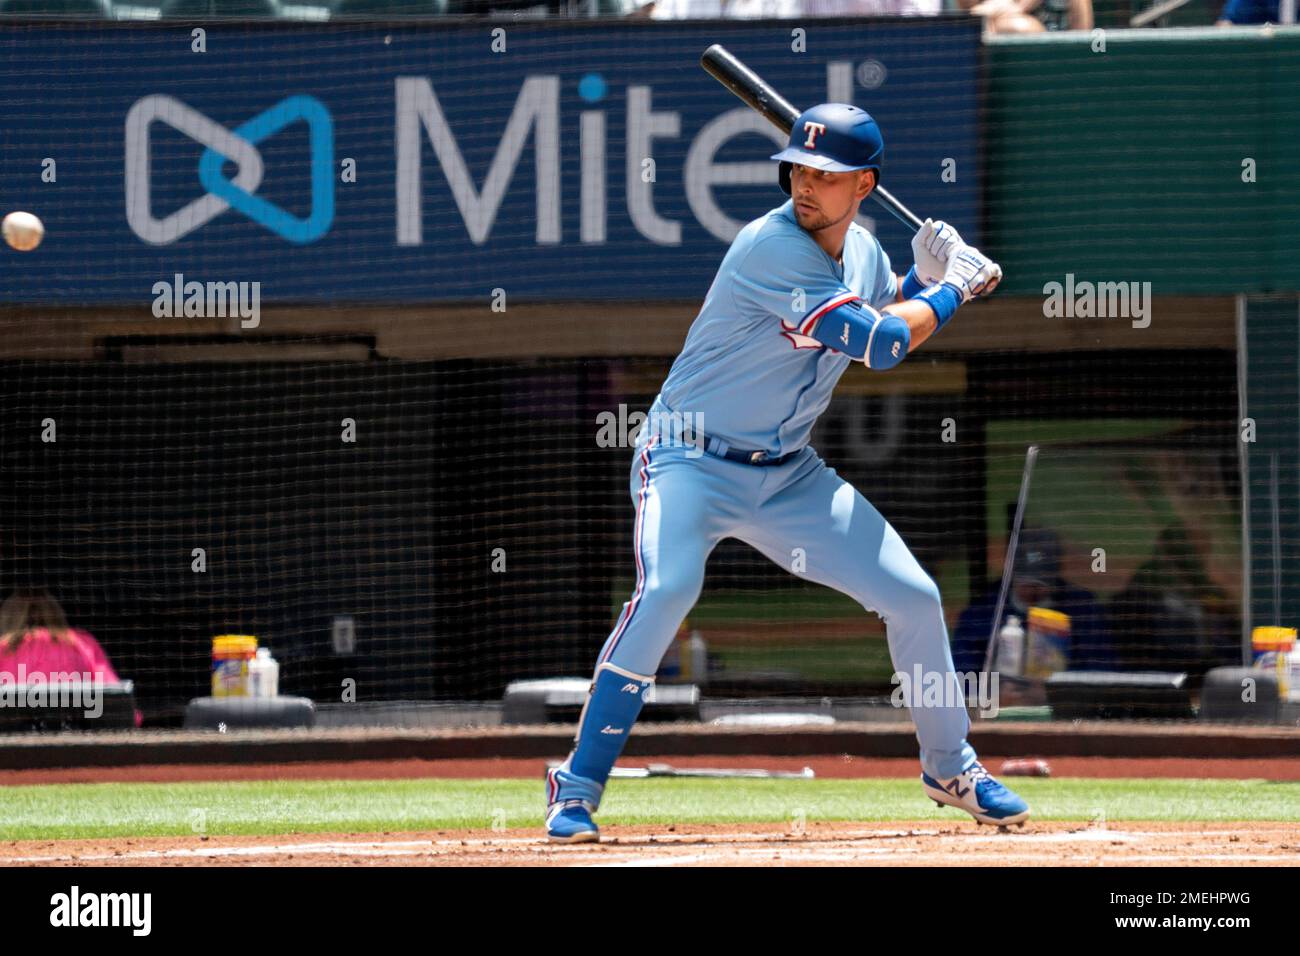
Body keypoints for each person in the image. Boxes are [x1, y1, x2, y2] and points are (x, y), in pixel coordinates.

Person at [545, 102, 1029, 843]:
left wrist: (921, 275)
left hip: (786, 473)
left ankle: (950, 764)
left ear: (863, 185)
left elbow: (886, 306)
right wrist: (954, 287)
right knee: (669, 588)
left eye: (827, 175)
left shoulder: (863, 254)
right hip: (688, 459)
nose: (806, 185)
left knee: (914, 595)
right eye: (799, 169)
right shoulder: (766, 249)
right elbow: (880, 345)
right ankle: (574, 783)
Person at [951, 527, 1114, 676]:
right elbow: (962, 678)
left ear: (1055, 578)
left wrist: (1059, 689)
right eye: (1024, 583)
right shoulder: (982, 612)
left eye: (1040, 584)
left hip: (1063, 703)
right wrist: (994, 692)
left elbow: (1103, 673)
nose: (1031, 592)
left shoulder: (1083, 609)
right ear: (1011, 576)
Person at [0, 588, 140, 726]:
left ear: (8, 617)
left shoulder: (2, 648)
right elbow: (115, 699)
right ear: (55, 612)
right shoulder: (81, 643)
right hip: (74, 740)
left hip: (13, 743)